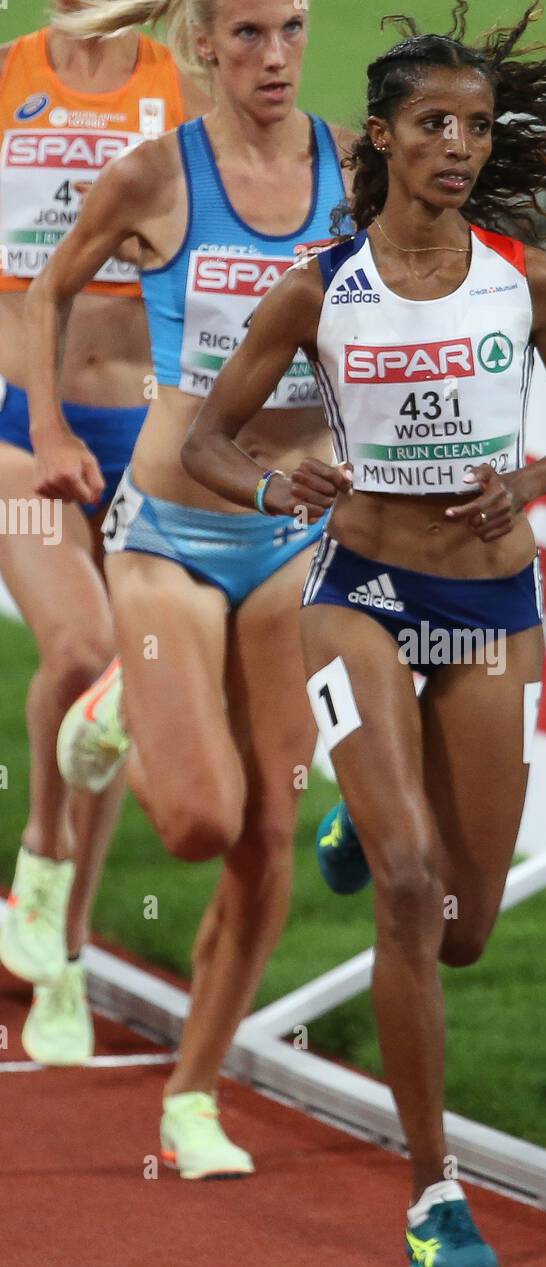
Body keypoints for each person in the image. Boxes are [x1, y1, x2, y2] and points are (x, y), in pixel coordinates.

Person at [181, 4, 546, 1267]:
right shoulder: (320, 288)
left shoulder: (520, 275)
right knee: (410, 882)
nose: (460, 147)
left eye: (476, 128)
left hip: (490, 611)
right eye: (434, 125)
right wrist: (272, 491)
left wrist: (528, 480)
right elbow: (212, 435)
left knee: (467, 925)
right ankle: (434, 1193)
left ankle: (360, 817)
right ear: (379, 137)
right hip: (358, 591)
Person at [27, 0, 357, 1177]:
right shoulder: (154, 176)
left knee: (269, 829)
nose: (275, 58)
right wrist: (54, 425)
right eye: (251, 34)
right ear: (206, 46)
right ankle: (110, 704)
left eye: (295, 31)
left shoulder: (354, 174)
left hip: (291, 537)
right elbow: (46, 288)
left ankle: (192, 1094)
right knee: (199, 822)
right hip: (168, 530)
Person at [0, 0, 207, 1064]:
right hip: (12, 419)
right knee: (80, 649)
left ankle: (65, 947)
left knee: (117, 687)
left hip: (144, 424)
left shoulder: (179, 85)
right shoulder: (8, 76)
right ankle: (39, 859)